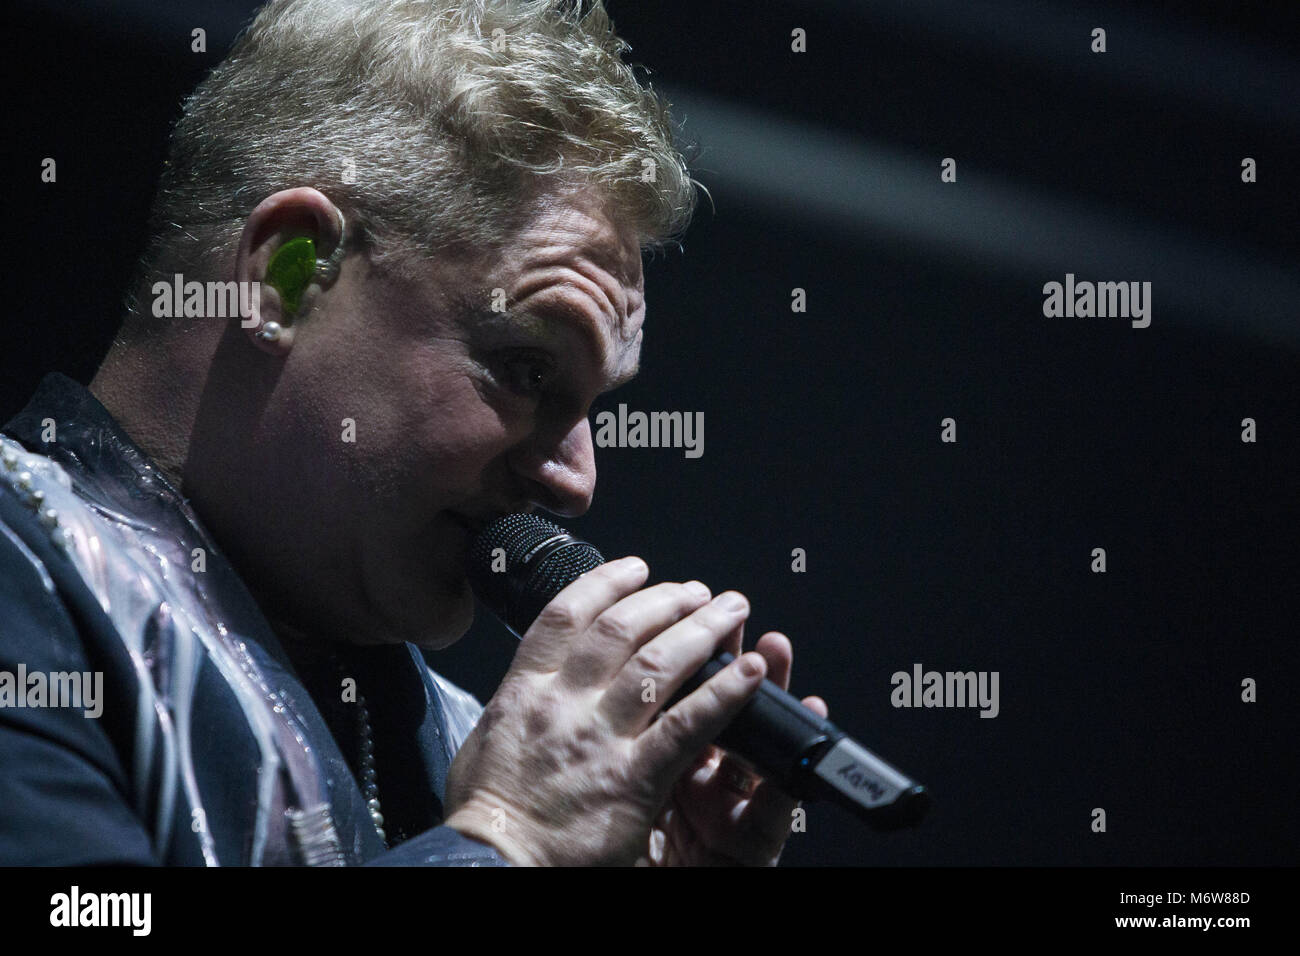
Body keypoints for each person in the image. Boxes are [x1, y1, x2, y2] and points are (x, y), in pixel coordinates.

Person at [0, 0, 827, 866]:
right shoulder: (29, 579)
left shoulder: (480, 744)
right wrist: (510, 843)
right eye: (526, 368)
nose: (578, 480)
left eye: (594, 407)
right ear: (286, 276)